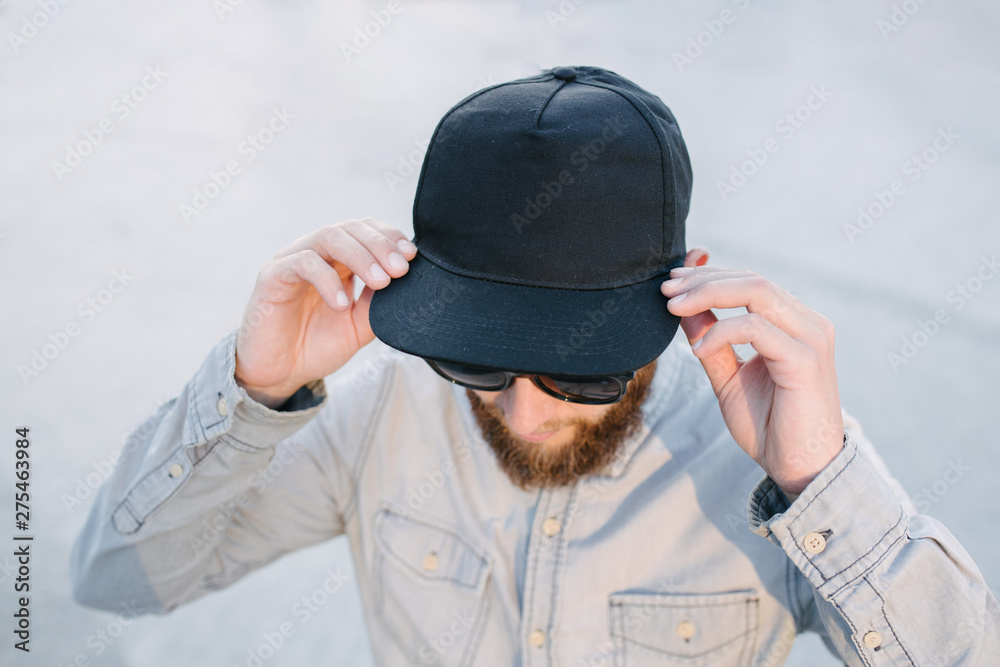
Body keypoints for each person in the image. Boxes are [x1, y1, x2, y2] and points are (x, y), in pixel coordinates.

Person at [71, 66, 999, 666]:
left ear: (679, 303)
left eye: (581, 372)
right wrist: (252, 392)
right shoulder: (384, 416)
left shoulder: (776, 473)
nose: (521, 412)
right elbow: (114, 579)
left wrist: (818, 479)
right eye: (475, 361)